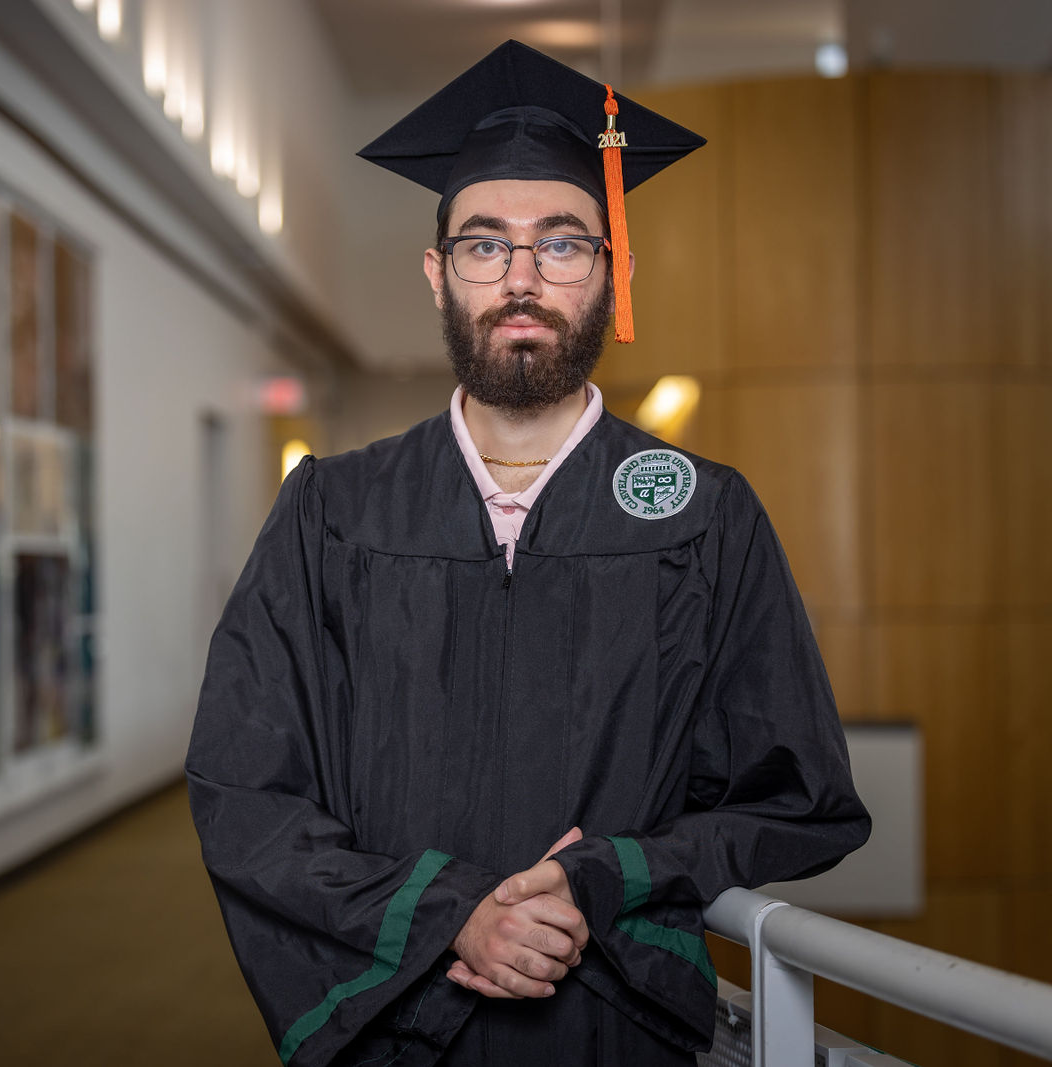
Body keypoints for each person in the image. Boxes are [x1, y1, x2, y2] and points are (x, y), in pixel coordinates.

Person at [186, 40, 871, 1067]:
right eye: (483, 245)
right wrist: (443, 913)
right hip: (402, 1027)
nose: (520, 279)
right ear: (436, 273)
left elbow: (799, 798)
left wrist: (610, 875)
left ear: (613, 270)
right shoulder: (332, 510)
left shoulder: (704, 518)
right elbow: (245, 794)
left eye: (561, 245)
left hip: (614, 1024)